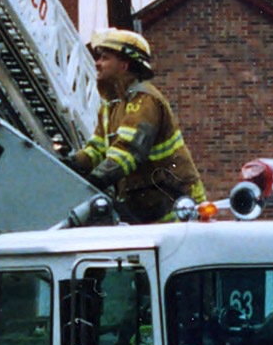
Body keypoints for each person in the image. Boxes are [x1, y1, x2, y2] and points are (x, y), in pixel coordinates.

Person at [66, 28, 208, 224]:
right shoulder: (112, 106)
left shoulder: (145, 101)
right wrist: (69, 164)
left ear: (124, 65)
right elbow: (96, 149)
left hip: (175, 205)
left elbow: (128, 151)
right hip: (148, 204)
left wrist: (94, 180)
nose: (97, 64)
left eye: (105, 58)